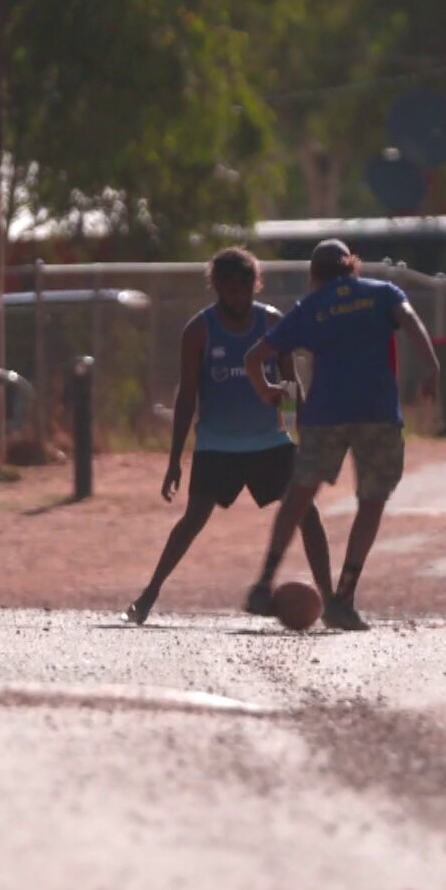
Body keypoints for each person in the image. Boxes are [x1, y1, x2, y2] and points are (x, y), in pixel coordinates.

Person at [123, 248, 333, 625]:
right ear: (217, 287)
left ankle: (332, 602)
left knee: (307, 514)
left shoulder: (272, 323)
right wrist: (174, 460)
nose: (237, 298)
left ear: (255, 286)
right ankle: (148, 596)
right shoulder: (199, 330)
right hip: (217, 445)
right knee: (193, 518)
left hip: (271, 443)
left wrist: (294, 433)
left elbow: (289, 384)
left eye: (244, 289)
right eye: (229, 290)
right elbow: (187, 395)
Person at [244, 239, 438, 631]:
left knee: (300, 495)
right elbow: (412, 324)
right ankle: (343, 599)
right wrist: (431, 369)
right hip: (377, 413)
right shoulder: (384, 293)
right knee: (371, 500)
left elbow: (254, 357)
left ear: (315, 275)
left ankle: (263, 583)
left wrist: (268, 392)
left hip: (324, 415)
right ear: (354, 267)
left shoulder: (310, 307)